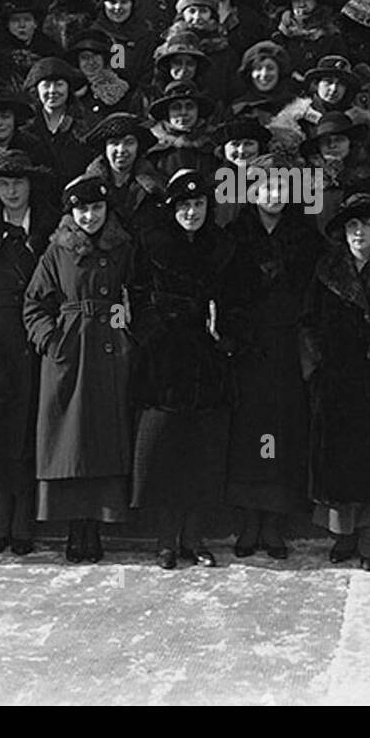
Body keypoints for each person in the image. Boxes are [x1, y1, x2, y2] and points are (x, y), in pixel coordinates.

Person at [131, 170, 243, 568]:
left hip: (209, 367)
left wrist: (225, 330)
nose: (191, 212)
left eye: (198, 205)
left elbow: (239, 302)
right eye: (183, 205)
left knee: (203, 457)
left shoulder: (225, 247)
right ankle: (165, 541)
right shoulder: (153, 246)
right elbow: (136, 300)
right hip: (165, 366)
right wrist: (160, 329)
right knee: (165, 457)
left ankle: (194, 539)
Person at [23, 173, 139, 563]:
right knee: (69, 440)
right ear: (71, 213)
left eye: (96, 208)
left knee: (104, 437)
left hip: (108, 352)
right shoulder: (57, 252)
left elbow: (136, 294)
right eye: (82, 209)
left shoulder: (123, 247)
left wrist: (125, 334)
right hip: (69, 352)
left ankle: (98, 525)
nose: (89, 217)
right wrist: (50, 339)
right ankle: (74, 527)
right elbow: (34, 303)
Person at [302, 193, 370, 571]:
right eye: (352, 225)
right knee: (339, 462)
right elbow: (308, 322)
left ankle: (369, 538)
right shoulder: (326, 270)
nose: (359, 232)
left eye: (366, 224)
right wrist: (317, 368)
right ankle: (343, 534)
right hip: (337, 380)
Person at [225, 158, 324, 557]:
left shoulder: (305, 236)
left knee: (283, 432)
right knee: (250, 433)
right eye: (265, 187)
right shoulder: (236, 235)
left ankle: (275, 521)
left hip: (288, 346)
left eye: (282, 187)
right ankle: (250, 519)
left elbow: (314, 295)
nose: (274, 195)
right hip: (250, 348)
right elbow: (225, 293)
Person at [0, 151, 57, 557]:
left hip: (35, 338)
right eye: (4, 183)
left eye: (19, 182)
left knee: (32, 426)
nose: (12, 190)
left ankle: (24, 523)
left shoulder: (50, 229)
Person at [81, 111, 166, 235]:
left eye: (129, 142)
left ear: (138, 146)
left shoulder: (156, 187)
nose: (121, 150)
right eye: (114, 143)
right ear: (105, 148)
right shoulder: (86, 188)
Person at [20, 56, 93, 197]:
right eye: (46, 85)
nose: (52, 91)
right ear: (37, 89)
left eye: (59, 84)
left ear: (68, 88)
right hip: (36, 200)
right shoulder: (25, 124)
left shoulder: (87, 123)